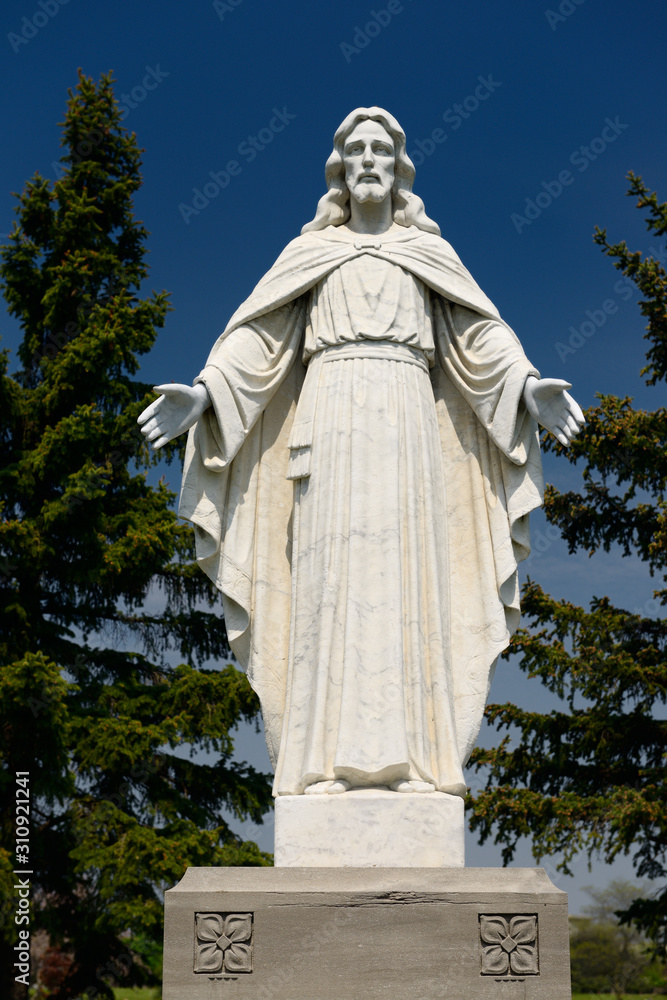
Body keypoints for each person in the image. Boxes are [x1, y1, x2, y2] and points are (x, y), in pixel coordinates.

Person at [138, 107, 584, 800]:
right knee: (327, 589)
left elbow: (479, 339)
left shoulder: (427, 255)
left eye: (382, 149)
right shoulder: (309, 255)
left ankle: (416, 764)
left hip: (406, 423)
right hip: (331, 418)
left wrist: (526, 386)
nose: (370, 160)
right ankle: (320, 765)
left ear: (399, 167)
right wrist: (204, 396)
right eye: (357, 150)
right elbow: (257, 342)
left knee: (409, 586)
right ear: (340, 169)